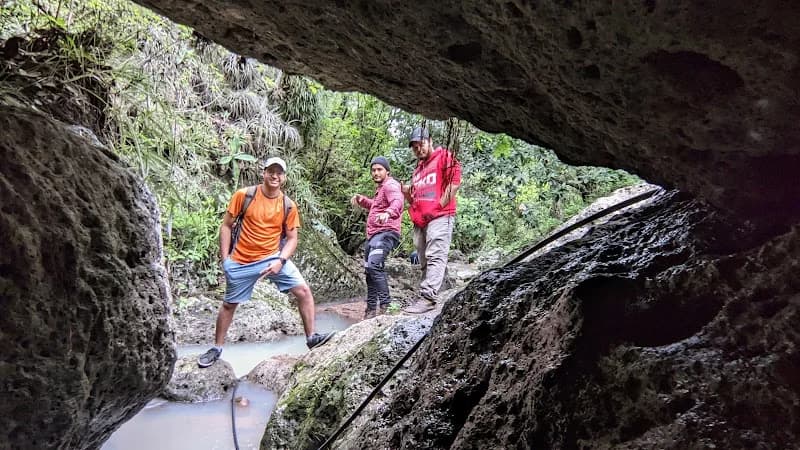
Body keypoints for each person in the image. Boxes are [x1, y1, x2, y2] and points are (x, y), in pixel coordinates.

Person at [198, 157, 333, 368]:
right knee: (228, 304)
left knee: (304, 292)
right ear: (264, 173)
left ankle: (311, 338)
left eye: (279, 173)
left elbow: (292, 239)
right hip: (241, 260)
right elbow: (226, 226)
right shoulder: (244, 196)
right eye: (271, 171)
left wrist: (281, 260)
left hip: (272, 257)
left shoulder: (288, 206)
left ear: (284, 177)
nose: (275, 176)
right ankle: (217, 347)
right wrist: (226, 260)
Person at [402, 127, 462, 314]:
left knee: (436, 253)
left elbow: (455, 182)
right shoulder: (417, 170)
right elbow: (415, 199)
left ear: (430, 141)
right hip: (421, 221)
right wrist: (406, 194)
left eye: (421, 144)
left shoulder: (443, 156)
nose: (418, 149)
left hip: (441, 216)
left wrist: (440, 206)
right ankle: (431, 294)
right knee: (423, 258)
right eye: (415, 147)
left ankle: (428, 296)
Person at [351, 156, 404, 319]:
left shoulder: (390, 185)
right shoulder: (381, 189)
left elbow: (398, 201)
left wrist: (388, 213)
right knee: (369, 270)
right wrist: (362, 200)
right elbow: (376, 205)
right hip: (373, 235)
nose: (375, 172)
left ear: (387, 171)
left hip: (386, 233)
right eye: (373, 170)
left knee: (374, 266)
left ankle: (387, 306)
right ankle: (371, 309)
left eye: (379, 169)